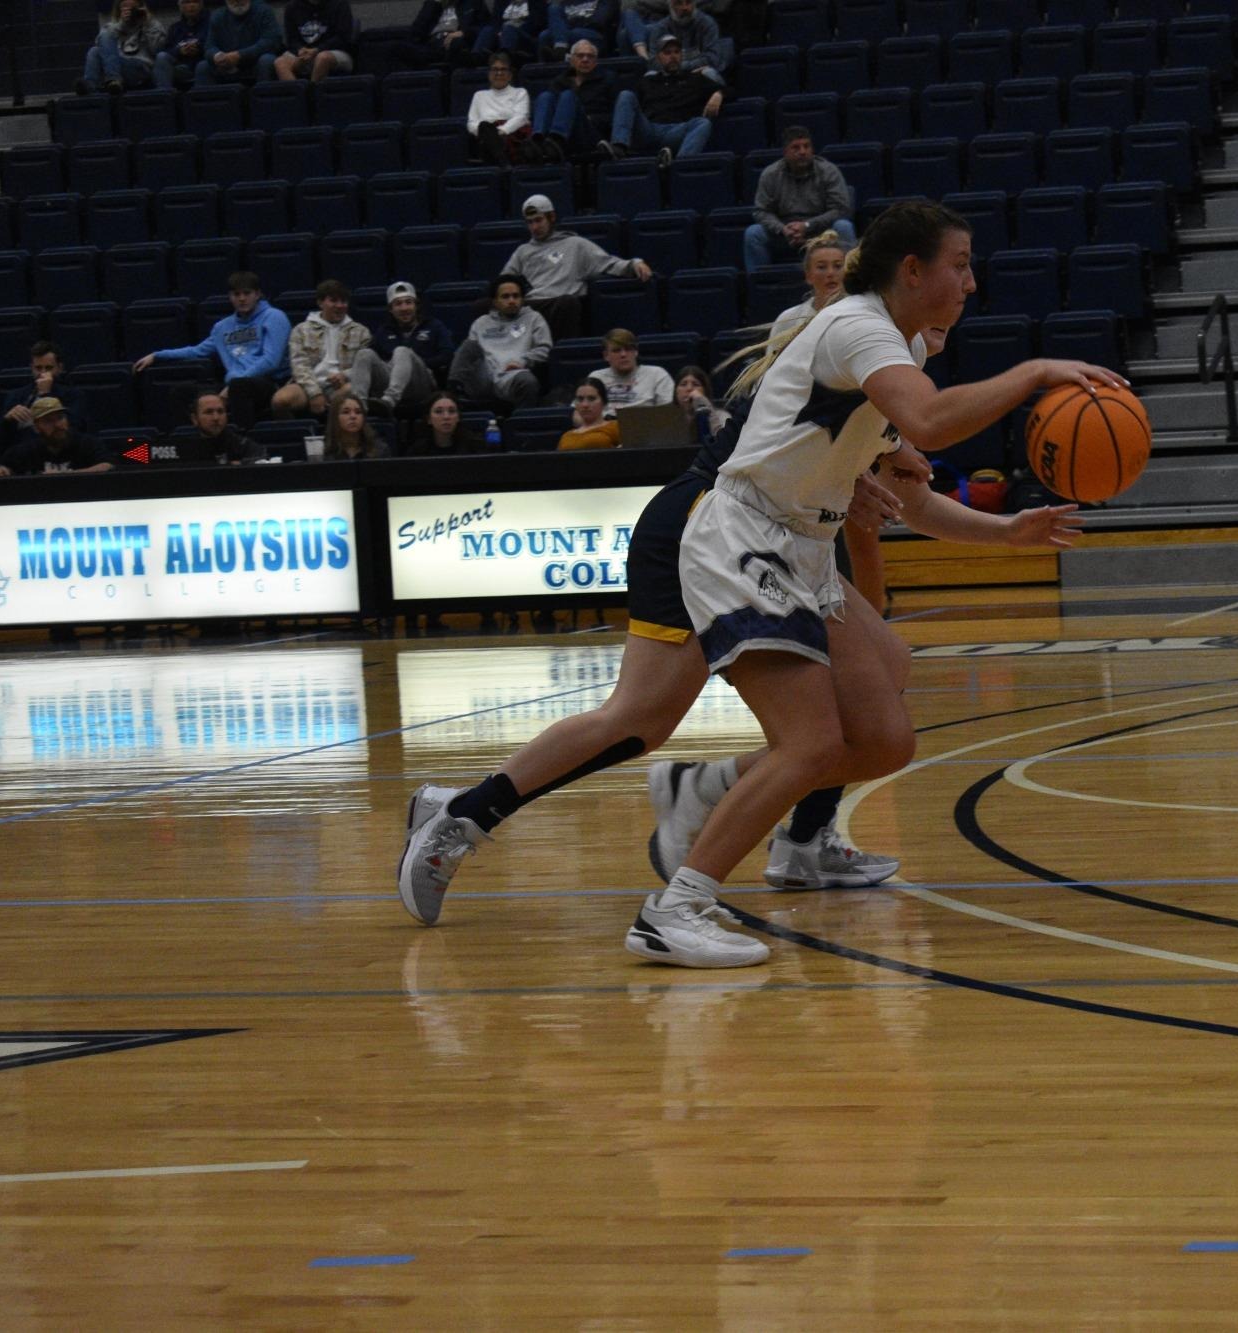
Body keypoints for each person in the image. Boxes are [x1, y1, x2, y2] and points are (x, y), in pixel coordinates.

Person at [392, 237, 1102, 964]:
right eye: (957, 269)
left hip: (788, 541)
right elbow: (898, 454)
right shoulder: (864, 343)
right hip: (708, 525)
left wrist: (991, 537)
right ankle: (472, 813)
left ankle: (785, 831)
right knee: (648, 719)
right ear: (904, 277)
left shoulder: (896, 358)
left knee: (879, 685)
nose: (969, 287)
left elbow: (886, 506)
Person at [133, 270, 291, 429]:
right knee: (181, 392)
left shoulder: (274, 317)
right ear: (230, 297)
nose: (242, 298)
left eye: (247, 293)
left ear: (257, 294)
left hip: (268, 383)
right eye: (236, 294)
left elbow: (271, 361)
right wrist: (157, 355)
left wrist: (233, 384)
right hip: (233, 384)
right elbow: (196, 351)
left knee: (239, 387)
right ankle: (192, 444)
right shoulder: (222, 327)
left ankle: (245, 443)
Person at [503, 193, 652, 338]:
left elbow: (608, 263)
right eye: (530, 222)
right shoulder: (522, 251)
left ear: (551, 217)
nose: (534, 227)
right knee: (483, 304)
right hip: (531, 305)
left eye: (538, 220)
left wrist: (635, 263)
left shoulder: (575, 244)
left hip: (560, 303)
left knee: (568, 303)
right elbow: (504, 282)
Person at [745, 128, 854, 273]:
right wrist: (782, 229)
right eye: (796, 147)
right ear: (785, 152)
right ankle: (759, 286)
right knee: (753, 233)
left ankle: (850, 282)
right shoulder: (770, 174)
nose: (802, 152)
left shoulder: (828, 171)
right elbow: (761, 211)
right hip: (784, 235)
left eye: (806, 146)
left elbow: (841, 209)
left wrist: (807, 225)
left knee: (843, 226)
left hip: (821, 232)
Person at [607, 33, 720, 163]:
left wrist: (719, 93)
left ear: (681, 55)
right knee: (626, 95)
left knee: (703, 123)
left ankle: (678, 167)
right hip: (649, 130)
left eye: (677, 52)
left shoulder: (694, 78)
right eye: (667, 52)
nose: (673, 56)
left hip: (678, 131)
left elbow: (731, 90)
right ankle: (618, 149)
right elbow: (627, 107)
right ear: (659, 57)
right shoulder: (647, 81)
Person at [351, 282, 454, 418]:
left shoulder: (433, 326)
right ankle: (359, 408)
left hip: (422, 383)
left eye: (408, 302)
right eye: (398, 304)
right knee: (364, 353)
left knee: (402, 351)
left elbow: (447, 355)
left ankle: (389, 401)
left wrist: (416, 363)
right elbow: (366, 363)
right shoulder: (384, 331)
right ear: (391, 309)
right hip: (390, 381)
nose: (404, 308)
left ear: (416, 305)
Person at [274, 279, 373, 421]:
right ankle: (298, 436)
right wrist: (314, 393)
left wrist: (344, 375)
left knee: (352, 391)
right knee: (280, 400)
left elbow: (364, 366)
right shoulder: (301, 330)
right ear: (320, 303)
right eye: (333, 301)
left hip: (341, 386)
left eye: (343, 301)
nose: (339, 306)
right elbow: (299, 366)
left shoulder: (361, 331)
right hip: (308, 384)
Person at [450, 273, 552, 409]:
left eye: (516, 296)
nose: (511, 300)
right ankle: (451, 394)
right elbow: (469, 356)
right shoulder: (481, 323)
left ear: (522, 299)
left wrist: (524, 361)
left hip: (513, 374)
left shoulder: (534, 318)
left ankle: (522, 425)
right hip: (483, 377)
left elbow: (545, 348)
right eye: (505, 296)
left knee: (528, 381)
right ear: (495, 301)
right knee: (468, 346)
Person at [0, 399, 113, 476]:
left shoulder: (86, 443)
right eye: (48, 421)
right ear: (35, 427)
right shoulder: (26, 450)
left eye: (60, 418)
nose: (58, 425)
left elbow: (107, 465)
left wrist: (68, 474)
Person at [0, 343, 88, 458]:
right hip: (23, 456)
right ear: (31, 368)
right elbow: (0, 441)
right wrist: (7, 420)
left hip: (61, 454)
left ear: (60, 368)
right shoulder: (15, 396)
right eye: (38, 368)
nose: (42, 373)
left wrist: (45, 394)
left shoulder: (73, 395)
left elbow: (73, 429)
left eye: (48, 368)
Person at [532, 40, 614, 158]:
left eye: (590, 56)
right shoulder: (560, 81)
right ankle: (538, 141)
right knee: (545, 96)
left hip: (592, 133)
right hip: (562, 132)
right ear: (571, 60)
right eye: (580, 56)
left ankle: (557, 140)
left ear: (596, 62)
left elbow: (616, 114)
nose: (585, 59)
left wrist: (593, 118)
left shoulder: (608, 79)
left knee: (568, 96)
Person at [78, 0, 168, 94]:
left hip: (140, 68)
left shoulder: (152, 25)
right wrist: (121, 25)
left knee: (100, 47)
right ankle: (91, 87)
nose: (129, 11)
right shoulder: (112, 27)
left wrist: (147, 24)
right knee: (94, 51)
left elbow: (157, 50)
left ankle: (114, 80)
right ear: (119, 9)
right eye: (125, 7)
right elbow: (101, 44)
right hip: (116, 66)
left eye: (132, 7)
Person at [770, 234, 848, 334]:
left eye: (838, 266)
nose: (830, 273)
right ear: (808, 276)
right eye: (822, 267)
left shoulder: (861, 314)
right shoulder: (788, 319)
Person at [629, 0, 729, 76]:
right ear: (670, 5)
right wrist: (677, 68)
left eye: (688, 2)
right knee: (650, 75)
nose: (685, 8)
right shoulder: (660, 28)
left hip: (699, 73)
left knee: (710, 73)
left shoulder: (707, 23)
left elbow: (712, 58)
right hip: (669, 76)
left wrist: (678, 66)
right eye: (679, 3)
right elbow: (653, 62)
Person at [195, 0, 282, 87]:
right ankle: (211, 100)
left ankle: (265, 99)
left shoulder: (264, 11)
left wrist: (239, 55)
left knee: (267, 60)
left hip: (255, 62)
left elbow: (271, 41)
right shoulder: (217, 16)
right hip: (226, 66)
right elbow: (209, 47)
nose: (237, 1)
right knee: (203, 67)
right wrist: (217, 56)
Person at [467, 51, 534, 163]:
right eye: (495, 69)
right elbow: (471, 123)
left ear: (510, 75)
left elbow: (521, 117)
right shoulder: (479, 95)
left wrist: (500, 131)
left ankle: (501, 160)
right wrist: (489, 134)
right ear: (489, 74)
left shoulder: (520, 92)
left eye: (503, 69)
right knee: (484, 126)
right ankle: (502, 160)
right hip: (486, 138)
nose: (499, 73)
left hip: (512, 137)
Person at [273, 0, 357, 81]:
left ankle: (313, 93)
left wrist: (317, 50)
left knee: (322, 58)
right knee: (280, 62)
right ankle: (298, 93)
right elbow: (291, 40)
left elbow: (342, 38)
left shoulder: (340, 4)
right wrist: (300, 50)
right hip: (304, 53)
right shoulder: (292, 7)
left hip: (335, 51)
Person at [178, 389, 266, 464]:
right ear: (194, 419)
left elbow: (262, 460)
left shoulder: (243, 445)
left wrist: (240, 465)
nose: (216, 418)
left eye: (220, 411)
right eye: (209, 412)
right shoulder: (185, 448)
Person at [402, 0, 486, 69]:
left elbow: (485, 27)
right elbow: (415, 32)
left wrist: (464, 32)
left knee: (457, 45)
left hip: (455, 43)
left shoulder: (473, 2)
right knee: (391, 48)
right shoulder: (432, 4)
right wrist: (433, 4)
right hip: (430, 46)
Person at [405, 391, 488, 455]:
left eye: (451, 411)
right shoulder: (417, 452)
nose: (446, 417)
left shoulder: (475, 448)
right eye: (438, 411)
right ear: (429, 419)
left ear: (458, 417)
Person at [155, 0, 211, 89]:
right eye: (187, 2)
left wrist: (199, 48)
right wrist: (179, 51)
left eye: (195, 2)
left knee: (203, 66)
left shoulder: (212, 23)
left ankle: (201, 100)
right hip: (182, 67)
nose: (191, 5)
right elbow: (165, 50)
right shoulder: (175, 28)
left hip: (204, 63)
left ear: (201, 5)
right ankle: (165, 97)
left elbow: (217, 45)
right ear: (180, 6)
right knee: (161, 57)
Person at [319, 389, 390, 460]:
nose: (353, 416)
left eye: (358, 412)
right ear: (335, 418)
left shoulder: (379, 449)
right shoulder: (322, 450)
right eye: (346, 412)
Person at [674, 364, 728, 442]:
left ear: (705, 391)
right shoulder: (668, 418)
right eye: (683, 384)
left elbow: (723, 442)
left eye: (696, 384)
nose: (689, 388)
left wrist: (703, 402)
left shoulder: (722, 416)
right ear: (676, 392)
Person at [475, 0, 546, 59]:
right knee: (487, 30)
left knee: (509, 29)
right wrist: (499, 31)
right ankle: (475, 58)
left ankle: (504, 59)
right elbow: (495, 21)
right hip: (502, 34)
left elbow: (537, 22)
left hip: (525, 35)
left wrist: (513, 29)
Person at [557, 381, 617, 449]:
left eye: (592, 399)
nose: (585, 405)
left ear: (604, 402)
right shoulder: (566, 436)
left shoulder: (616, 427)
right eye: (580, 399)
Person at [544, 0, 613, 60]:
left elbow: (599, 21)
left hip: (593, 34)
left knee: (567, 33)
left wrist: (571, 23)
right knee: (544, 35)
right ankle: (561, 53)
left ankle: (561, 52)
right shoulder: (565, 3)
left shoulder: (602, 1)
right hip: (568, 33)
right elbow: (559, 23)